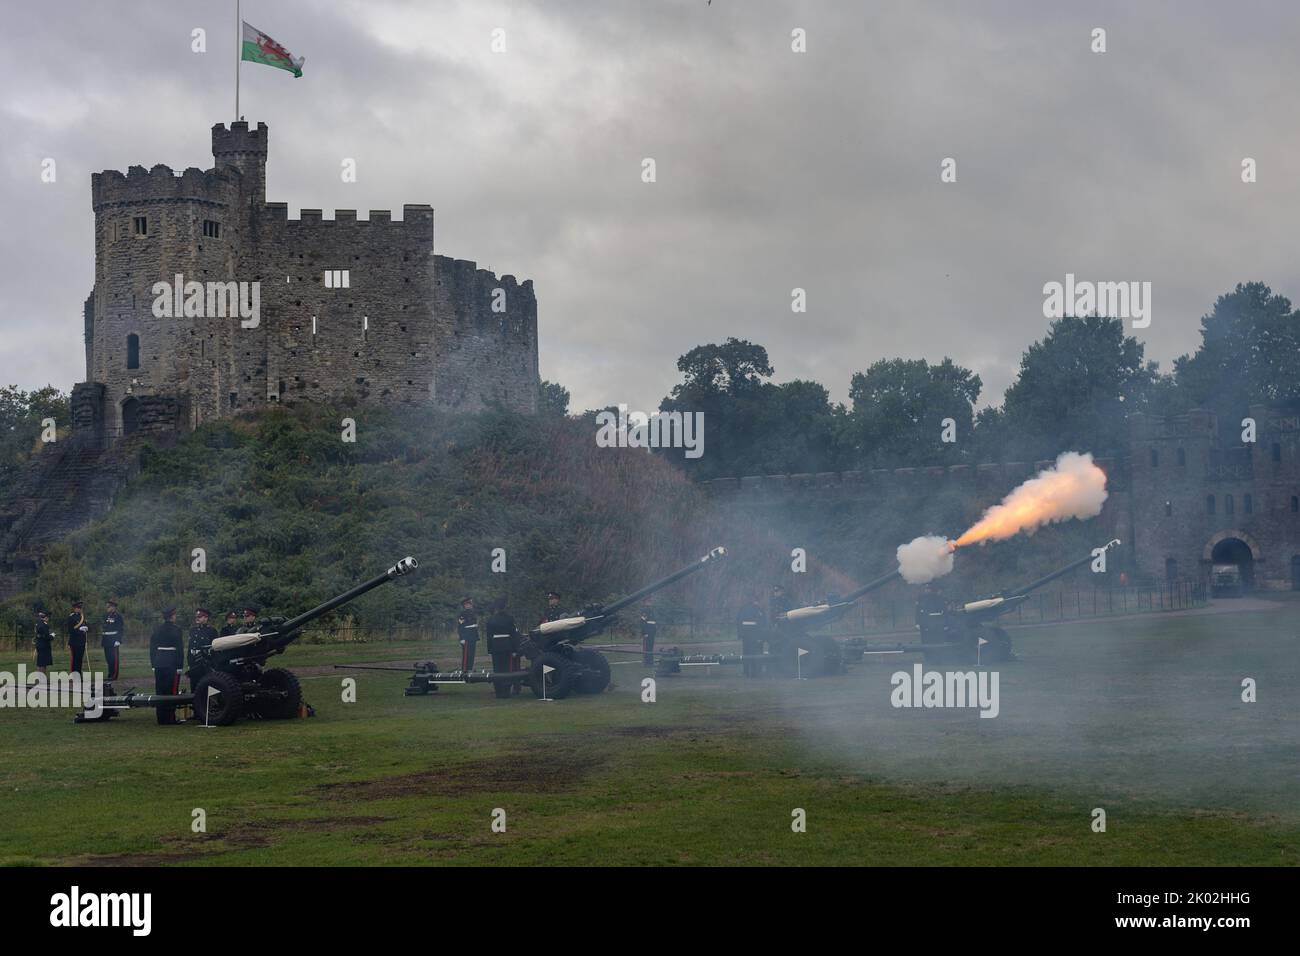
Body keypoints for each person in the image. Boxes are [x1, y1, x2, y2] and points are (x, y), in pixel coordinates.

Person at [149, 607, 184, 725]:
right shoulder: (176, 629)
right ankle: (170, 718)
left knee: (160, 691)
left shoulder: (157, 629)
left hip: (159, 662)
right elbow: (179, 649)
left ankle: (161, 718)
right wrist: (180, 666)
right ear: (172, 616)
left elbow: (152, 648)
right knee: (171, 691)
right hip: (171, 662)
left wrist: (153, 663)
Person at [484, 598, 522, 699]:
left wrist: (489, 650)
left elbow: (489, 636)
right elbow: (513, 635)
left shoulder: (491, 619)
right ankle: (506, 692)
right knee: (507, 670)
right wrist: (514, 650)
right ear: (505, 607)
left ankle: (498, 692)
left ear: (496, 608)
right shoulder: (510, 619)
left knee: (497, 670)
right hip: (507, 646)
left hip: (496, 646)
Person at [736, 593, 765, 677]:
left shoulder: (743, 609)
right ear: (757, 601)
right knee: (756, 654)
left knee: (746, 654)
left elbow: (738, 622)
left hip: (746, 636)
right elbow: (762, 624)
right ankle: (756, 672)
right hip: (756, 636)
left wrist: (740, 635)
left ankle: (746, 672)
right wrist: (762, 637)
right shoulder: (759, 610)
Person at [188, 608, 218, 675]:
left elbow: (215, 648)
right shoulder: (193, 630)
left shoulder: (212, 631)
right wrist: (189, 663)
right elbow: (190, 647)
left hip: (205, 661)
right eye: (196, 617)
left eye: (199, 617)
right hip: (193, 660)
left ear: (206, 618)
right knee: (193, 683)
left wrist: (213, 663)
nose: (197, 618)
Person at [101, 598, 124, 685]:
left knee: (114, 658)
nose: (108, 608)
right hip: (106, 639)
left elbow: (120, 629)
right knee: (108, 658)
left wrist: (118, 640)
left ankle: (114, 675)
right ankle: (110, 674)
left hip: (114, 639)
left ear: (114, 607)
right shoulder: (106, 615)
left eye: (109, 606)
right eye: (108, 606)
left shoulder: (118, 616)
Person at [66, 600, 89, 674]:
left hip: (82, 641)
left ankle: (78, 674)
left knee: (79, 659)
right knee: (74, 659)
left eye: (80, 608)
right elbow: (70, 630)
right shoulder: (71, 617)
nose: (80, 609)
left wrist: (86, 628)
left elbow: (86, 625)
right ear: (75, 608)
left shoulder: (82, 617)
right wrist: (80, 630)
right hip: (74, 642)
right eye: (78, 608)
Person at [456, 597, 479, 671]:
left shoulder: (473, 612)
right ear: (464, 605)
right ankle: (465, 669)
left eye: (470, 604)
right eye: (467, 604)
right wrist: (462, 638)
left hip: (473, 635)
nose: (469, 605)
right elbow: (460, 626)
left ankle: (470, 669)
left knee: (472, 654)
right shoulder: (462, 614)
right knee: (466, 654)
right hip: (466, 636)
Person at [33, 609, 53, 682]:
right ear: (46, 617)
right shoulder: (44, 625)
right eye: (48, 617)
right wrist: (52, 636)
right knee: (43, 663)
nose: (48, 619)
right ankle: (42, 678)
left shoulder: (38, 623)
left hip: (40, 645)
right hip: (44, 645)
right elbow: (46, 637)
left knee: (40, 662)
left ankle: (40, 678)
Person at [639, 601, 658, 666]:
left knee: (650, 647)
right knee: (647, 647)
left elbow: (654, 622)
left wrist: (655, 630)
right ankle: (646, 662)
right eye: (648, 601)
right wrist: (644, 632)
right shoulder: (644, 611)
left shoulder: (652, 611)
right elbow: (643, 623)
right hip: (647, 631)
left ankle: (650, 661)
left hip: (652, 631)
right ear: (645, 603)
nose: (650, 603)